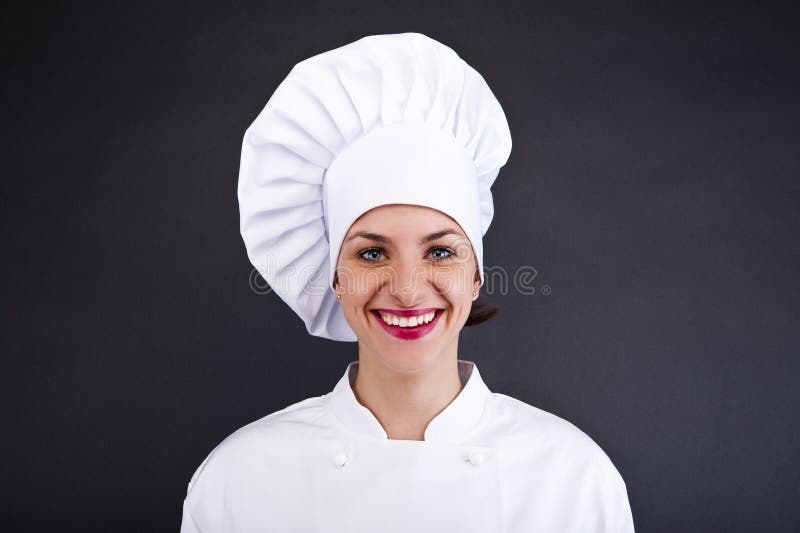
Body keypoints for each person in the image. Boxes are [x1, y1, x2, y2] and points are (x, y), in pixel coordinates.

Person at [179, 32, 635, 532]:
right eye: (372, 253)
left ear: (476, 273)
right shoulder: (239, 482)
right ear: (334, 276)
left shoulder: (573, 479)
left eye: (440, 251)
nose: (407, 288)